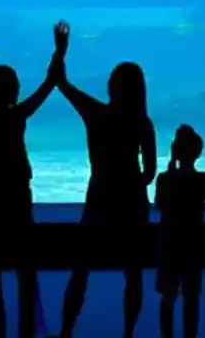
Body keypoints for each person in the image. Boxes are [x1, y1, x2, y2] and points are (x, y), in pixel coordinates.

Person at [0, 21, 67, 338]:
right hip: (17, 195)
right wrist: (59, 51)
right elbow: (49, 84)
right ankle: (30, 328)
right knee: (25, 266)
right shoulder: (18, 113)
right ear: (14, 90)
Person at [51, 46, 157, 338]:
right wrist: (128, 183)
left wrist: (60, 51)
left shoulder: (95, 113)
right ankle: (127, 334)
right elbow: (148, 172)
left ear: (113, 86)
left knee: (81, 269)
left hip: (98, 199)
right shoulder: (142, 123)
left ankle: (65, 332)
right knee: (132, 273)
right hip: (132, 203)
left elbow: (60, 82)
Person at [154, 124, 205, 338]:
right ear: (198, 152)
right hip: (194, 244)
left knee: (168, 296)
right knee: (191, 298)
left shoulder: (164, 179)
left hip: (169, 243)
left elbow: (159, 204)